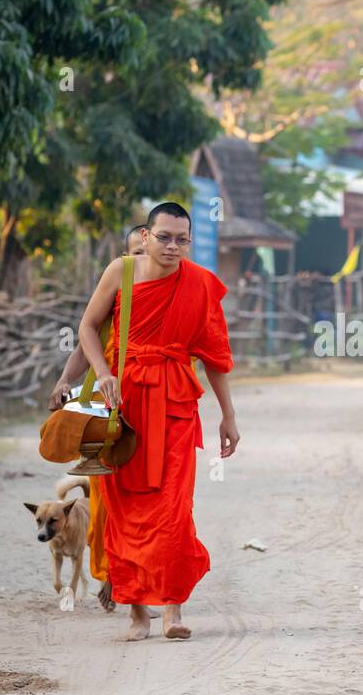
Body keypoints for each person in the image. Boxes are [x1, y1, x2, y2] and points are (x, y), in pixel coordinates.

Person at [76, 202, 239, 641]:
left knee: (173, 508)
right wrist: (105, 374)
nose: (172, 246)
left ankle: (172, 612)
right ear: (145, 236)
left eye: (181, 239)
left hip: (175, 405)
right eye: (164, 237)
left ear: (190, 241)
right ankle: (137, 614)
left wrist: (228, 415)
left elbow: (215, 357)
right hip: (123, 405)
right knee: (124, 510)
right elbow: (89, 328)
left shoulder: (201, 284)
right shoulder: (120, 272)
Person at [48, 224, 149, 613]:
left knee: (146, 498)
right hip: (106, 408)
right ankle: (111, 575)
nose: (141, 263)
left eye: (146, 255)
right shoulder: (115, 295)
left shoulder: (168, 297)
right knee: (106, 500)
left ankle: (138, 579)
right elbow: (85, 347)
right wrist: (63, 380)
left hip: (150, 404)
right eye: (134, 255)